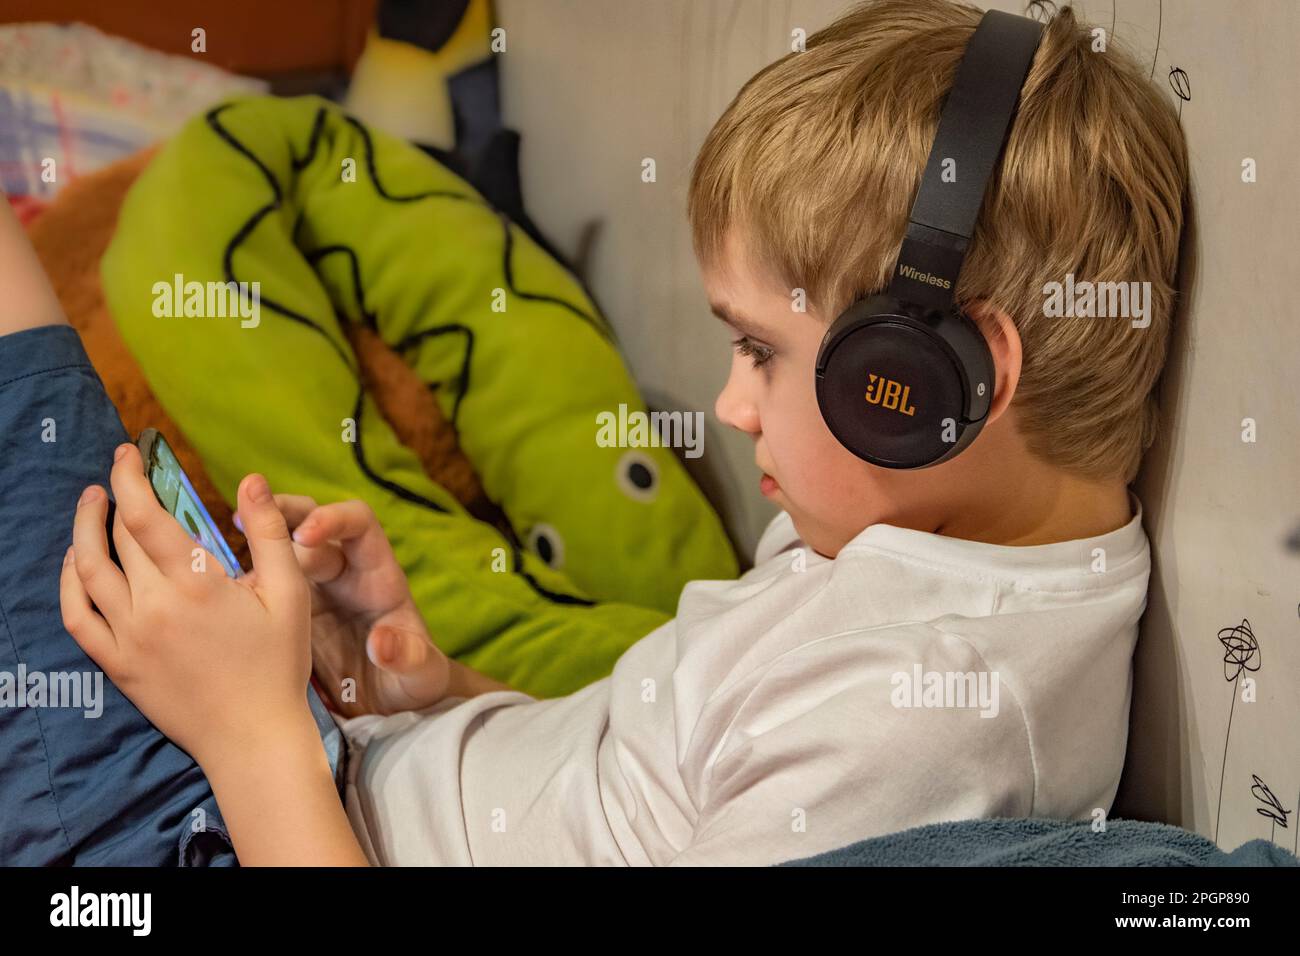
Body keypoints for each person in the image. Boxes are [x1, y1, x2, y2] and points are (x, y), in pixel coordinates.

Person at [4, 0, 1187, 865]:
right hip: (301, 770)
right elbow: (635, 782)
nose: (728, 407)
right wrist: (416, 689)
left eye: (761, 351)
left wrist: (247, 726)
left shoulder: (916, 722)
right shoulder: (912, 526)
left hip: (201, 829)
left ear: (934, 377)